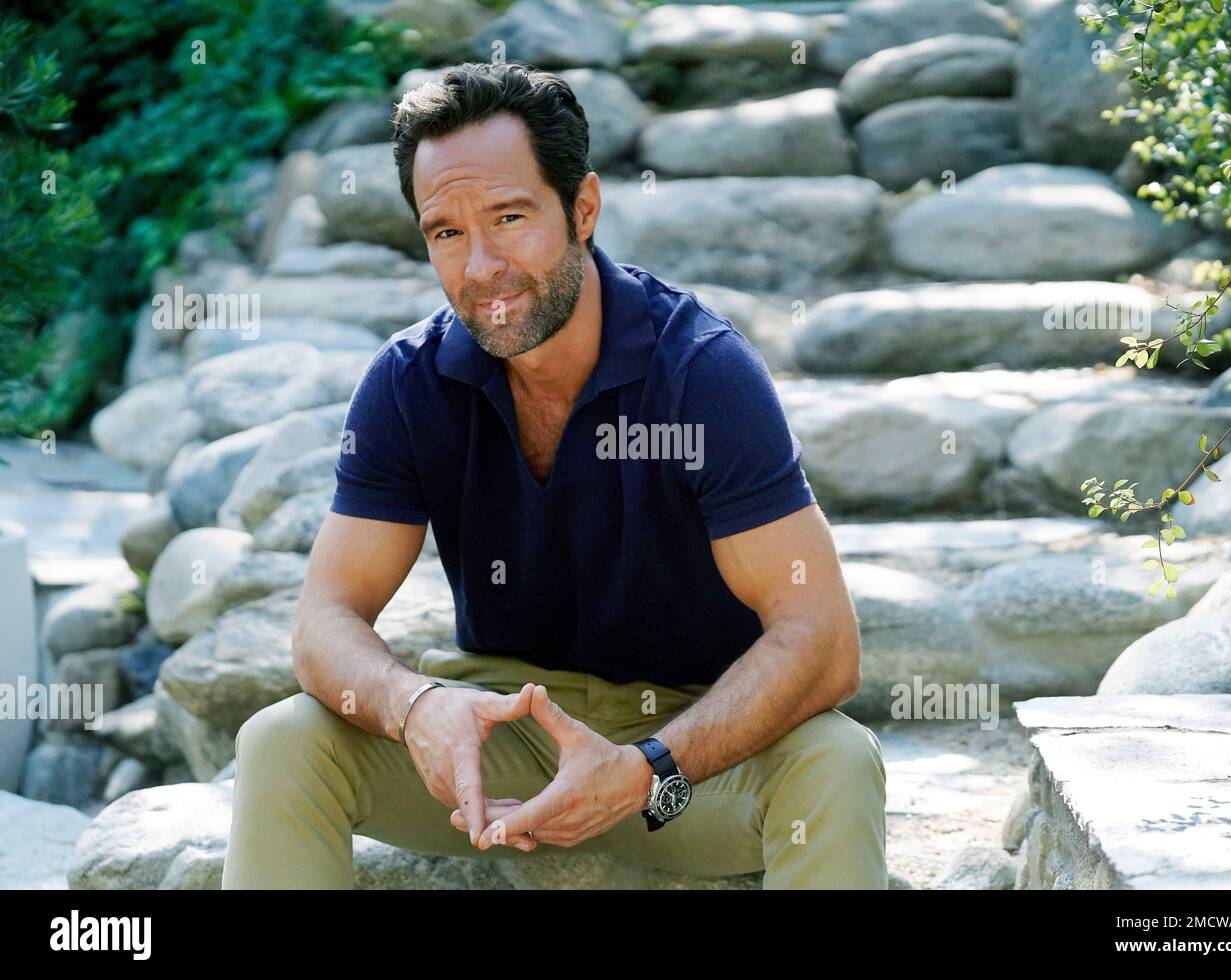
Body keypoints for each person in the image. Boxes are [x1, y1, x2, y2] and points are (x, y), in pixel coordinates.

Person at [221, 61, 886, 890]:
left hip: (686, 760)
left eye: (509, 216)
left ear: (584, 209)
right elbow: (324, 619)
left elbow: (822, 643)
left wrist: (645, 767)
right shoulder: (408, 382)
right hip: (505, 742)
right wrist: (415, 706)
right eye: (447, 232)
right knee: (284, 741)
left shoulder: (703, 375)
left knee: (837, 761)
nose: (481, 267)